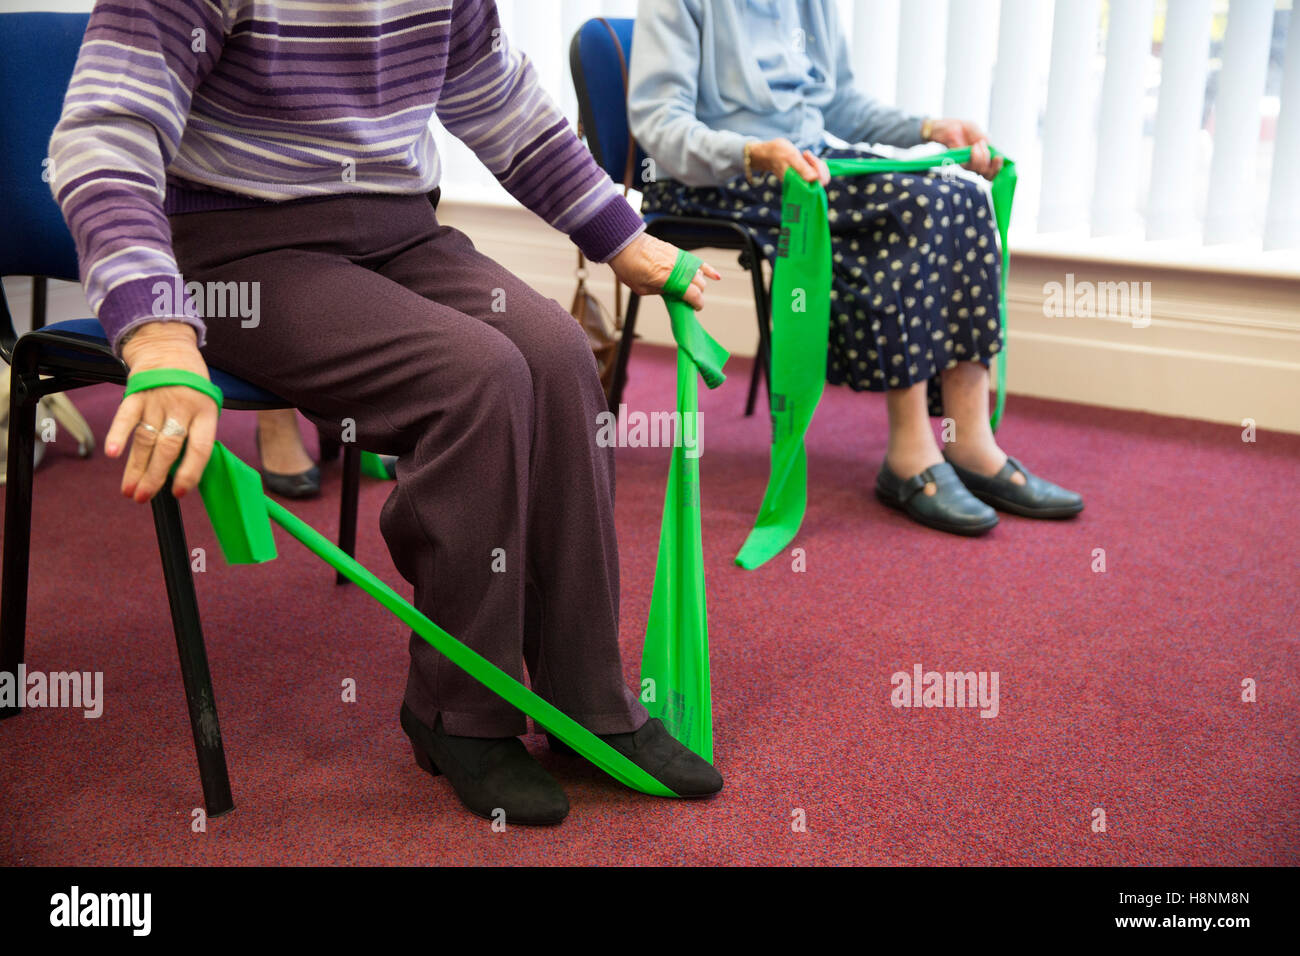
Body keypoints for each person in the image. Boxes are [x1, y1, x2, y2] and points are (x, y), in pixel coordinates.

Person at [50, 0, 724, 826]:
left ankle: (585, 697)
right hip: (237, 250)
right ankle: (457, 714)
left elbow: (500, 101)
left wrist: (619, 236)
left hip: (402, 231)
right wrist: (155, 332)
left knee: (554, 356)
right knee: (475, 377)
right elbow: (103, 140)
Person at [628, 0, 1083, 536]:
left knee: (962, 194)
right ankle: (909, 455)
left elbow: (838, 105)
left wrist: (929, 128)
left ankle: (970, 440)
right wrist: (753, 152)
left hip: (806, 162)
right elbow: (660, 126)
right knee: (910, 207)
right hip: (716, 176)